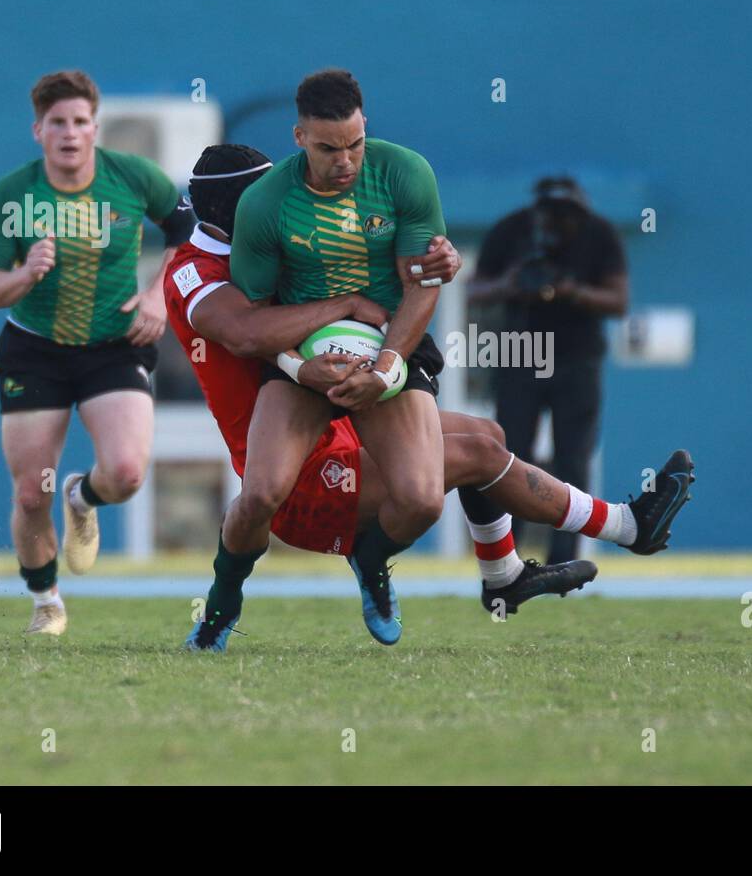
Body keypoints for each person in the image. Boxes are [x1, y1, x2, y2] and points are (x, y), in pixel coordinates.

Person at [163, 145, 694, 650]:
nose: (292, 197)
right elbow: (245, 333)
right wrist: (343, 305)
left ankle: (502, 577)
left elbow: (387, 254)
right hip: (307, 464)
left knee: (488, 435)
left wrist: (436, 255)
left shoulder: (291, 239)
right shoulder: (194, 270)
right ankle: (625, 526)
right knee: (471, 461)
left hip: (344, 412)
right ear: (236, 210)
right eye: (272, 193)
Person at [220, 68, 455, 645]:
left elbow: (422, 283)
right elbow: (254, 319)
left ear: (365, 128)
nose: (345, 160)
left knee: (423, 500)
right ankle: (220, 606)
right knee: (261, 495)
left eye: (354, 143)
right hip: (301, 359)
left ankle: (370, 561)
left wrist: (386, 370)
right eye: (328, 148)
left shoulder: (404, 172)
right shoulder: (265, 202)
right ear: (299, 136)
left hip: (388, 347)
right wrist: (301, 368)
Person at [0, 70, 195, 635]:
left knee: (123, 473)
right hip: (34, 350)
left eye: (79, 122)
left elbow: (187, 231)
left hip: (112, 347)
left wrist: (158, 297)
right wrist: (25, 274)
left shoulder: (133, 177)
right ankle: (46, 600)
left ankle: (82, 495)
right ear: (38, 131)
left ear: (96, 128)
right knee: (28, 493)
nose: (70, 133)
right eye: (57, 123)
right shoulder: (13, 194)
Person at [469, 177, 630, 564]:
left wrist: (573, 291)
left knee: (573, 457)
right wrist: (509, 285)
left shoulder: (600, 234)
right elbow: (474, 290)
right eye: (551, 214)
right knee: (510, 457)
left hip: (577, 359)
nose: (558, 223)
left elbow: (618, 299)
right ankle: (508, 558)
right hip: (521, 356)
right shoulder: (511, 230)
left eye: (568, 216)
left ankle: (566, 558)